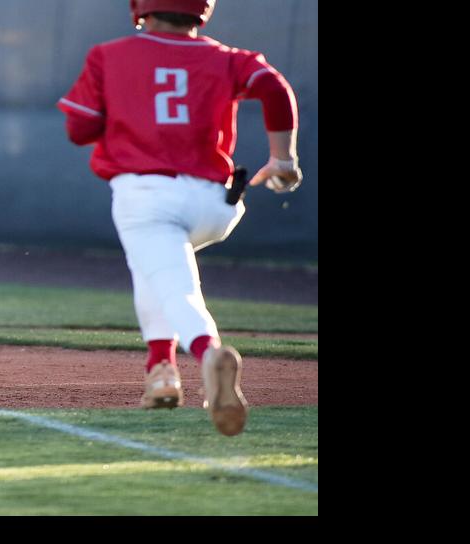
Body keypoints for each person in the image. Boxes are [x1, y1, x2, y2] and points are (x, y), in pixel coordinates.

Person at [58, 0, 302, 436]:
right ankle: (161, 372)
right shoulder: (227, 58)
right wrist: (283, 159)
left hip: (148, 196)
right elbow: (274, 87)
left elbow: (79, 130)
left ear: (141, 9)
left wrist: (127, 110)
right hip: (216, 203)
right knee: (154, 267)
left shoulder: (109, 55)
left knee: (175, 286)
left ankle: (209, 354)